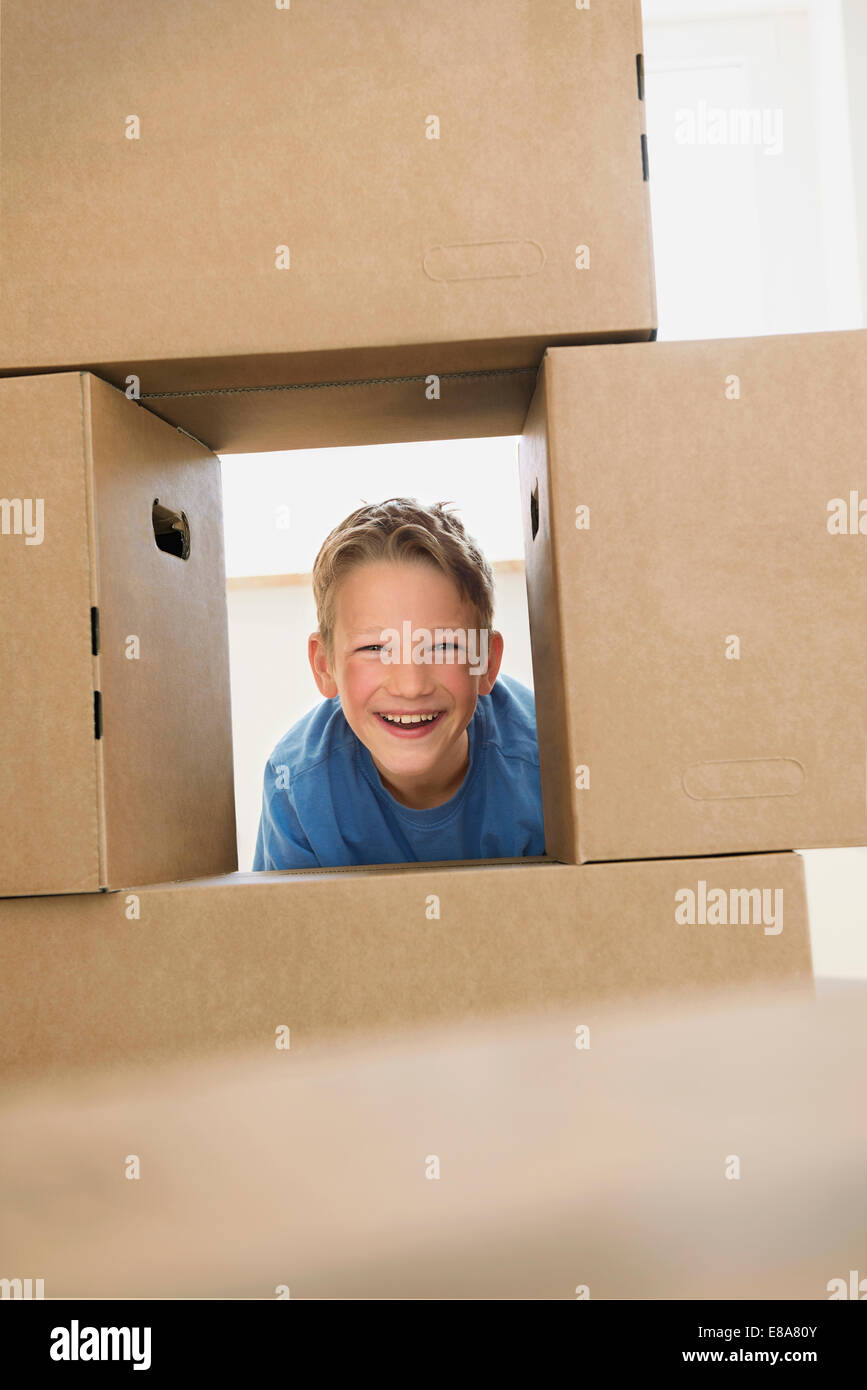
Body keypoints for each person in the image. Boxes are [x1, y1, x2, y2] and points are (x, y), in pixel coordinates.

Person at [252, 497, 544, 869]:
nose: (410, 685)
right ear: (325, 666)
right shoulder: (296, 788)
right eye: (374, 647)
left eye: (442, 646)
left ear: (486, 662)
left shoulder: (546, 767)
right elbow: (285, 925)